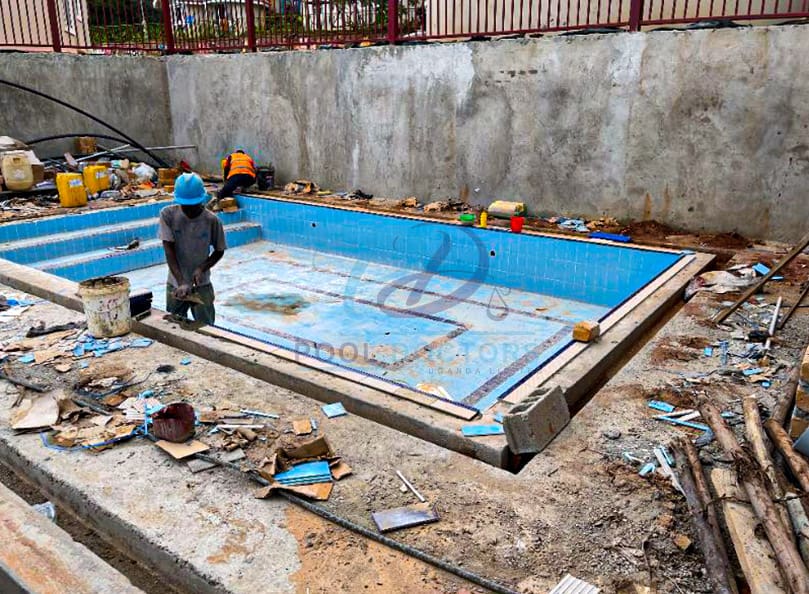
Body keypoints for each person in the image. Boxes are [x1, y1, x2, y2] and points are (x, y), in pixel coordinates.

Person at [160, 173, 226, 326]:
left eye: (193, 206)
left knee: (206, 328)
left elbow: (219, 250)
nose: (189, 210)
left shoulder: (212, 220)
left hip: (201, 284)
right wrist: (182, 281)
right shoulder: (168, 215)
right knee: (174, 325)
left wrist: (202, 268)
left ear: (201, 200)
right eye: (185, 206)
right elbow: (169, 250)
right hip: (176, 283)